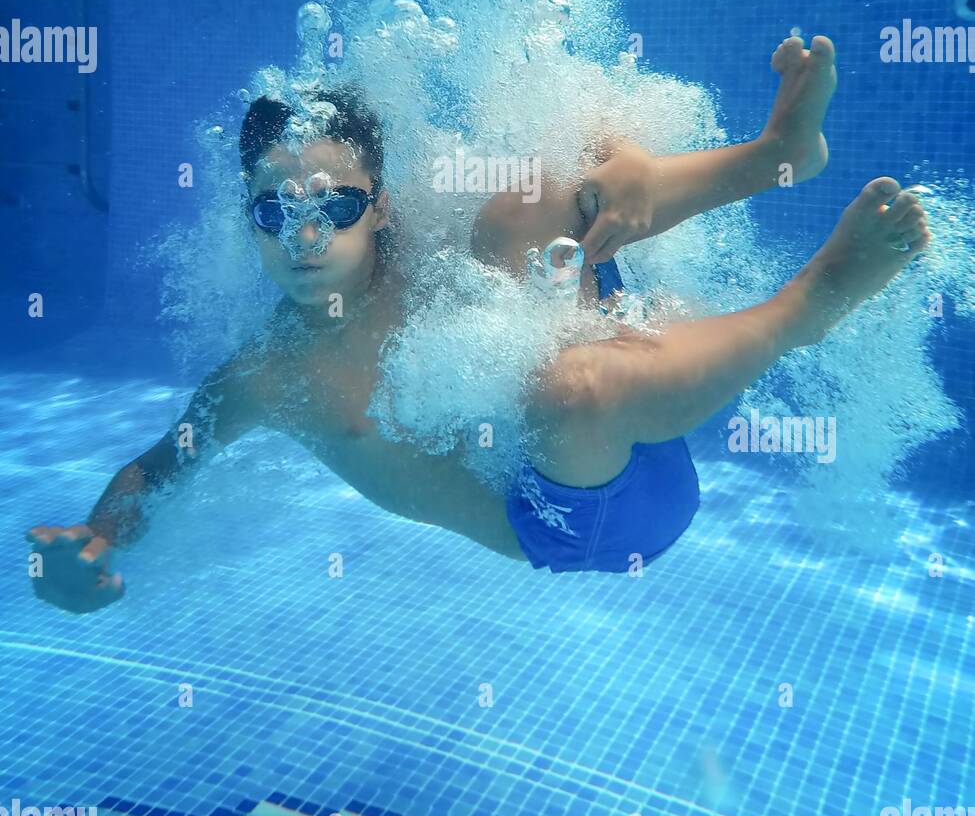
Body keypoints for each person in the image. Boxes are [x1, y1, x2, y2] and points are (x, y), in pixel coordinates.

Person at [27, 35, 931, 608]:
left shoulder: (421, 233)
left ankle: (775, 156)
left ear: (378, 207)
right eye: (274, 210)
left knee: (522, 207)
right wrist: (101, 536)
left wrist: (618, 159)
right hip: (590, 519)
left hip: (641, 388)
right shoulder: (268, 375)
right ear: (248, 220)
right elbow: (154, 468)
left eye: (333, 207)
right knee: (564, 388)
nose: (304, 233)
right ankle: (800, 311)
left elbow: (579, 131)